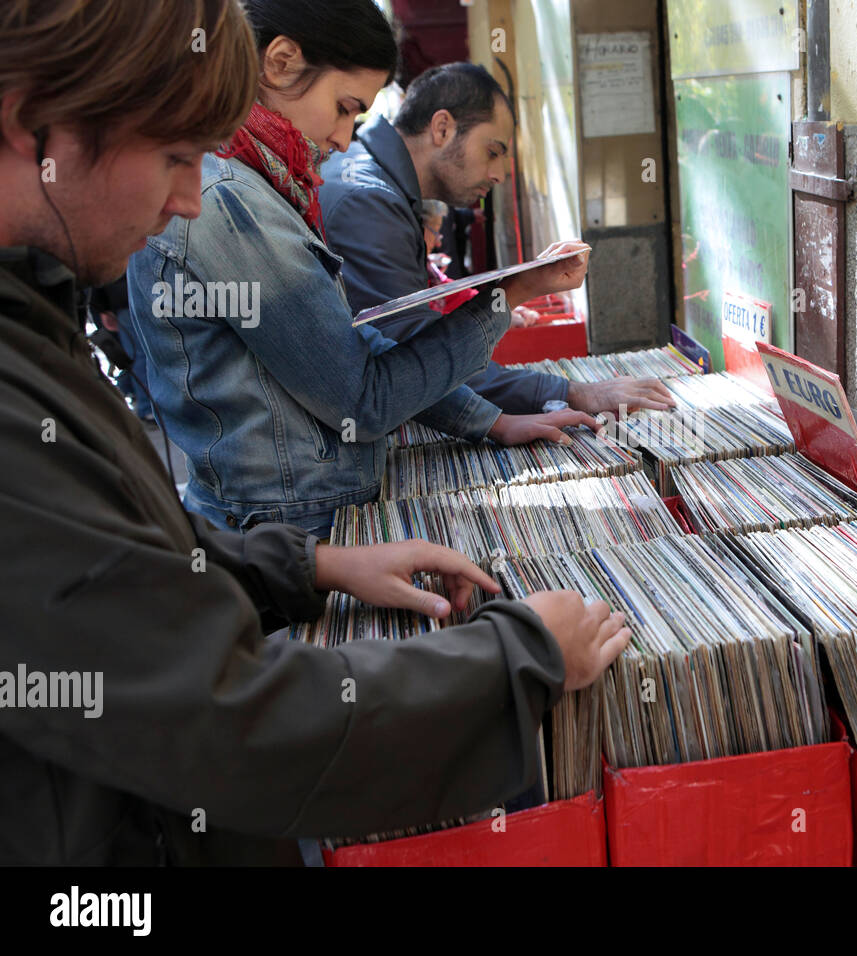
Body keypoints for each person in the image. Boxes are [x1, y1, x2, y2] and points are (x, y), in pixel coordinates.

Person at [0, 0, 628, 866]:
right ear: (32, 128)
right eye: (176, 154)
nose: (189, 197)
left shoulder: (39, 309)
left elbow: (120, 551)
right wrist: (514, 660)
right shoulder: (228, 204)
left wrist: (310, 567)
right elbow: (219, 716)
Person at [124, 0, 597, 540]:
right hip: (291, 530)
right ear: (279, 62)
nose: (345, 138)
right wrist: (509, 295)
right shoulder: (230, 202)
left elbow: (354, 345)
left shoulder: (263, 186)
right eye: (344, 107)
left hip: (296, 519)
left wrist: (491, 420)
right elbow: (365, 398)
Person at [319, 62, 675, 422]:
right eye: (493, 151)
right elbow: (415, 368)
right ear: (442, 128)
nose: (499, 175)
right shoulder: (367, 201)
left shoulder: (371, 181)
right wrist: (573, 392)